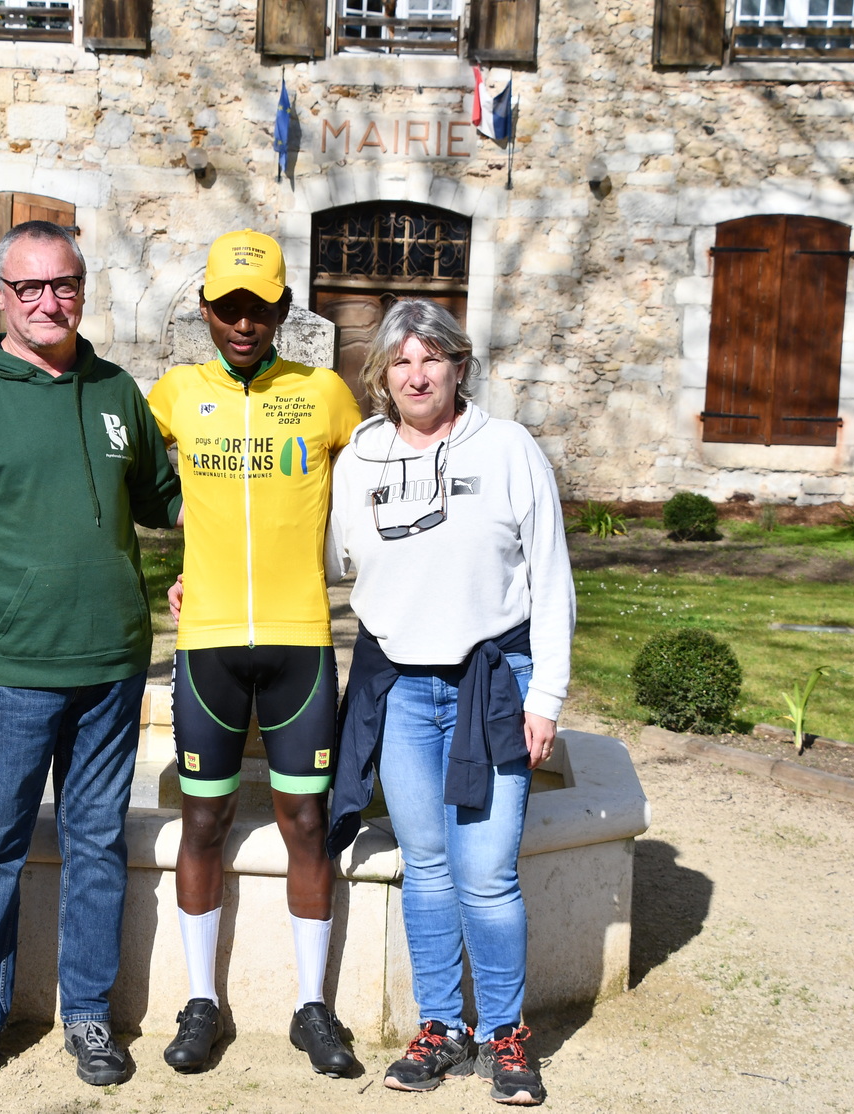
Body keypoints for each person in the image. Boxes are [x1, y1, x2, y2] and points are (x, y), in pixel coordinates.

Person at [0, 221, 182, 1092]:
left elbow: (168, 501)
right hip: (9, 671)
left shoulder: (120, 392)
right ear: (2, 297)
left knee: (97, 844)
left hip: (113, 666)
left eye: (66, 285)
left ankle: (89, 1015)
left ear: (84, 288)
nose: (51, 302)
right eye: (31, 289)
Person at [326, 298, 575, 1106]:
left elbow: (551, 580)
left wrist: (547, 697)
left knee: (487, 873)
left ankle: (505, 1035)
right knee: (427, 869)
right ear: (382, 378)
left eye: (432, 356)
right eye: (400, 361)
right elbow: (324, 556)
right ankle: (441, 1029)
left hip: (491, 684)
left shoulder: (506, 449)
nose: (417, 373)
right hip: (399, 686)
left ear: (459, 365)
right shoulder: (359, 458)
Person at [146, 230, 363, 1075]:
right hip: (207, 645)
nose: (243, 322)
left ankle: (314, 1009)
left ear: (283, 310)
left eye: (260, 307)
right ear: (205, 308)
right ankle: (201, 1003)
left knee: (307, 821)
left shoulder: (326, 394)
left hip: (300, 641)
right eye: (228, 306)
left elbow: (386, 476)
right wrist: (178, 568)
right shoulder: (172, 395)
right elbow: (140, 487)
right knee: (202, 817)